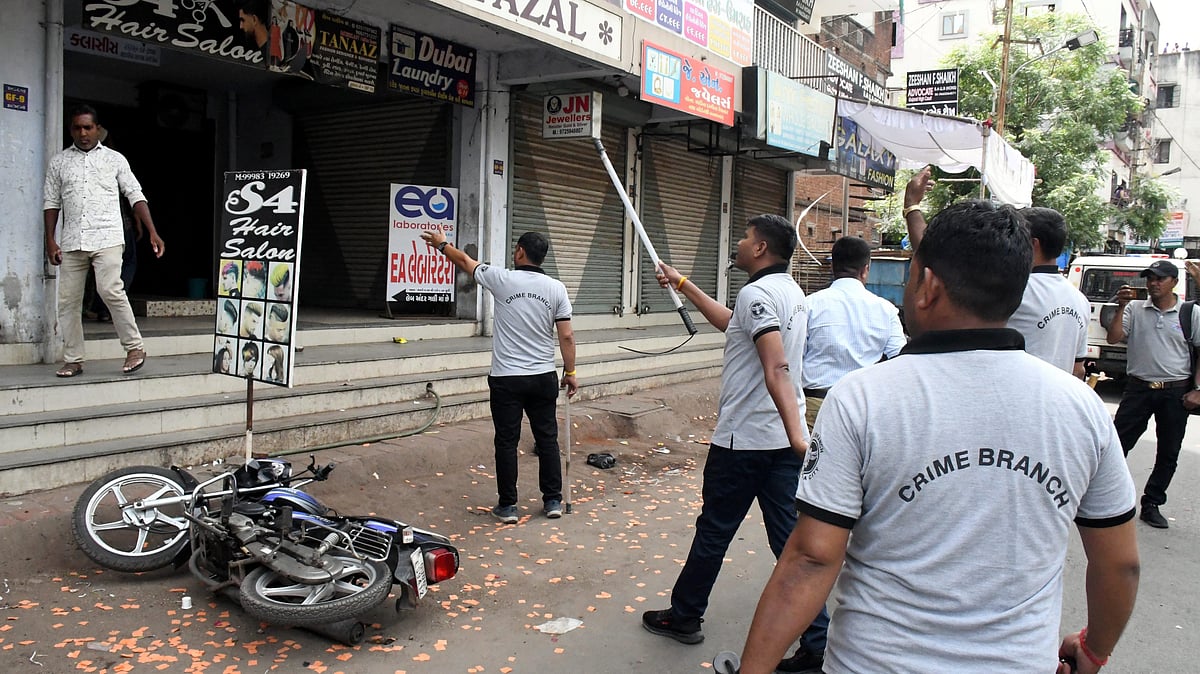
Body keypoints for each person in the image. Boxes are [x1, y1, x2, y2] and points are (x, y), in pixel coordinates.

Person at [737, 200, 1140, 674]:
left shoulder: (862, 399)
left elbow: (810, 559)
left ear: (927, 286)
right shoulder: (1081, 408)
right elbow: (1120, 565)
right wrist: (1094, 651)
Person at [642, 214, 829, 666]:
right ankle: (818, 642)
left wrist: (797, 437)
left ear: (761, 248)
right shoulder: (790, 293)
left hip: (744, 442)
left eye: (746, 237)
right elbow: (733, 324)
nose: (740, 243)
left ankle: (685, 616)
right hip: (783, 443)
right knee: (790, 541)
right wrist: (682, 282)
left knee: (714, 532)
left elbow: (777, 366)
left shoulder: (757, 292)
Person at [420, 228, 577, 522]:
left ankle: (508, 506)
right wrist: (570, 372)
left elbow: (466, 262)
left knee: (506, 440)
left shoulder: (502, 278)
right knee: (547, 439)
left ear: (519, 252)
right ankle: (553, 500)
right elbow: (566, 336)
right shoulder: (557, 288)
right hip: (543, 375)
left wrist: (442, 245)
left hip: (507, 378)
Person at [902, 169, 1089, 376]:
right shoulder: (1079, 300)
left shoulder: (1020, 288)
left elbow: (940, 259)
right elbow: (1078, 369)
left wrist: (912, 207)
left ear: (1033, 244)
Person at [44, 104, 165, 378]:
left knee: (110, 289)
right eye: (77, 127)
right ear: (71, 130)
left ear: (97, 129)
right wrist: (50, 241)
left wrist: (153, 231)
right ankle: (73, 359)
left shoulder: (115, 160)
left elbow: (135, 194)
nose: (83, 133)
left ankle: (134, 348)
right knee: (67, 301)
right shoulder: (59, 162)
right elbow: (51, 203)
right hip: (73, 240)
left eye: (88, 127)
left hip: (108, 236)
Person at [1106, 258, 1200, 529]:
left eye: (1160, 278)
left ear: (1174, 283)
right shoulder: (1135, 308)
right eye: (1149, 278)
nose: (1153, 283)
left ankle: (1152, 503)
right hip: (1138, 388)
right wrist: (1121, 305)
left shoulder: (1189, 313)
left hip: (1174, 391)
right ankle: (1107, 495)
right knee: (1116, 445)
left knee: (1168, 451)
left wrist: (1198, 390)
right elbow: (1113, 338)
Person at [801, 236, 905, 430]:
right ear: (866, 270)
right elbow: (900, 359)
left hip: (815, 407)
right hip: (865, 407)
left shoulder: (809, 305)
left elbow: (793, 356)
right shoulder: (886, 310)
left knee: (812, 459)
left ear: (833, 267)